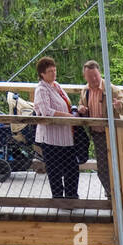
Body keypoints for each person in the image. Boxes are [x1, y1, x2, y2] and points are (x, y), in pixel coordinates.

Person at [76, 60, 123, 199]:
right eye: (90, 76)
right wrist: (81, 109)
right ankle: (111, 193)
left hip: (114, 133)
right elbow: (81, 104)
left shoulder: (110, 89)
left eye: (95, 75)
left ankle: (121, 194)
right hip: (97, 134)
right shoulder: (85, 90)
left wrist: (119, 106)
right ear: (85, 76)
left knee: (118, 164)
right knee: (102, 169)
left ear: (99, 73)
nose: (93, 79)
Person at [33, 56, 79, 204]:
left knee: (72, 168)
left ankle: (71, 197)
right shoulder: (41, 89)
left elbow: (65, 103)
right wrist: (67, 116)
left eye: (54, 70)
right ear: (42, 74)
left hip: (66, 136)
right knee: (55, 170)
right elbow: (46, 111)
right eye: (49, 71)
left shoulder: (56, 85)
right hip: (51, 137)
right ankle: (58, 199)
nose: (53, 73)